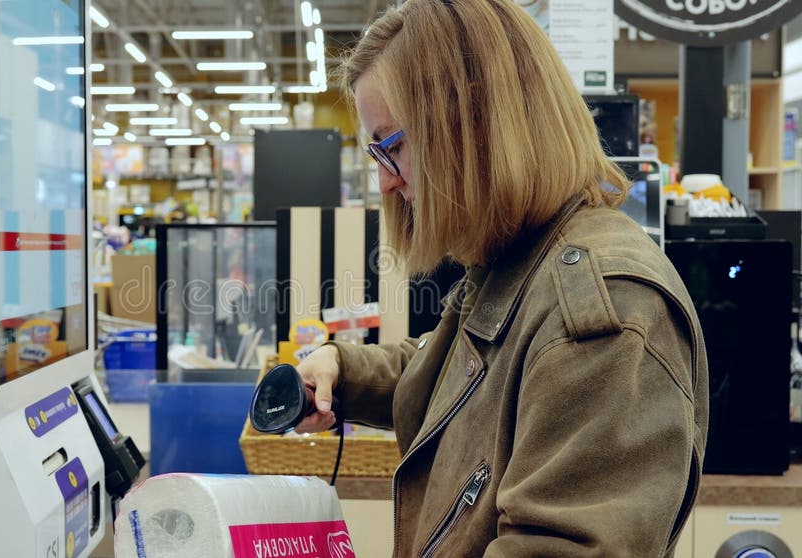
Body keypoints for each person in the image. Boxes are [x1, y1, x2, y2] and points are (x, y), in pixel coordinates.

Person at [293, 1, 708, 556]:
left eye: (393, 146)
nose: (387, 183)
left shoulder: (600, 314)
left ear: (477, 124)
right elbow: (468, 378)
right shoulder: (515, 260)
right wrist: (344, 368)